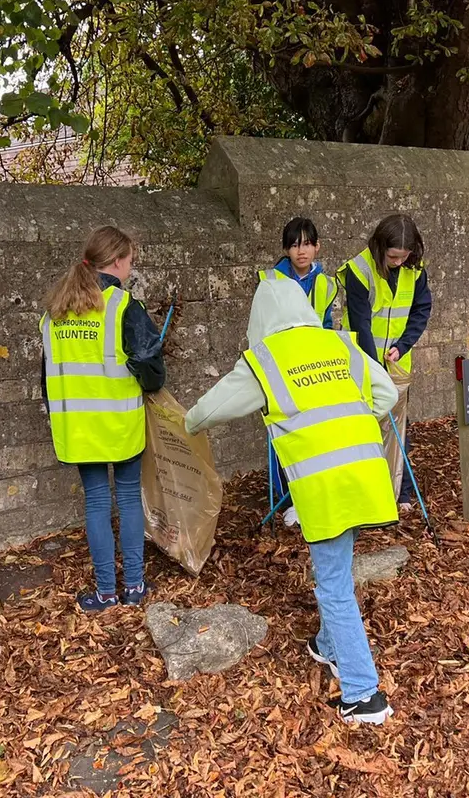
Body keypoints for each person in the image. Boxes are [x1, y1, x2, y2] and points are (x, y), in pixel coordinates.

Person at [185, 279, 398, 725]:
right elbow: (387, 395)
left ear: (259, 320)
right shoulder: (339, 344)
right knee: (336, 569)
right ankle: (328, 645)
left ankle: (364, 694)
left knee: (334, 586)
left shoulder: (265, 359)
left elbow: (204, 413)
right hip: (365, 471)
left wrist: (183, 423)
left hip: (324, 488)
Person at [40, 226, 165, 612]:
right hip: (119, 422)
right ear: (117, 262)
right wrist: (152, 383)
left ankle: (106, 592)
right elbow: (147, 361)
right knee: (127, 499)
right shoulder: (122, 306)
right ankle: (134, 587)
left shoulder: (55, 311)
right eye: (130, 262)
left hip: (77, 425)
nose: (131, 269)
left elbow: (46, 372)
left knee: (96, 501)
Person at [340, 214, 432, 511]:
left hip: (397, 364)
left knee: (398, 426)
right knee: (363, 427)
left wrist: (403, 346)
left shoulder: (414, 268)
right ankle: (362, 492)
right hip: (361, 363)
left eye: (403, 257)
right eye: (393, 256)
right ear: (380, 247)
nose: (397, 262)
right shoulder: (360, 270)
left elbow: (421, 310)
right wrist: (373, 367)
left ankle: (400, 491)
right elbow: (360, 323)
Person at [257, 217, 338, 528]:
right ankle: (288, 499)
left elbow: (328, 326)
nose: (300, 251)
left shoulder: (326, 284)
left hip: (316, 369)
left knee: (315, 433)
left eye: (306, 244)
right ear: (286, 249)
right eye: (294, 245)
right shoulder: (271, 280)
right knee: (284, 432)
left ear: (317, 247)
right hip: (282, 367)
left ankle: (312, 493)